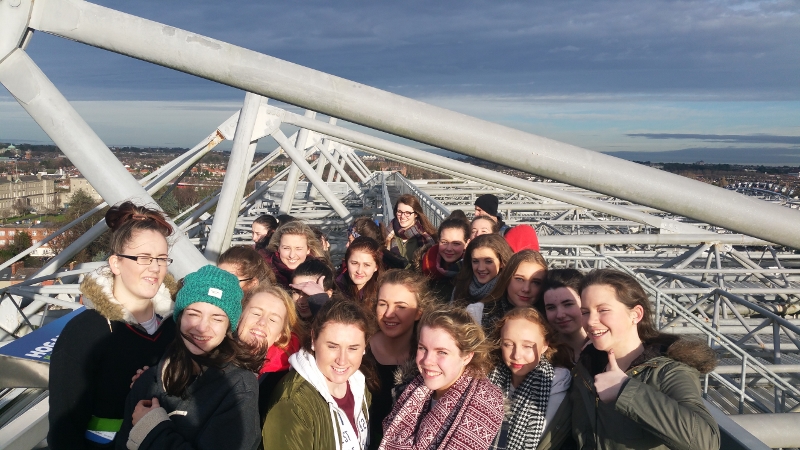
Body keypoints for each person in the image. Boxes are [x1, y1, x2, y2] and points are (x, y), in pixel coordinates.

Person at [48, 201, 178, 449]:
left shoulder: (176, 326)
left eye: (162, 258)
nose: (155, 268)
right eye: (143, 258)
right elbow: (65, 427)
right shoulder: (86, 333)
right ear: (116, 263)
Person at [117, 265, 263, 450]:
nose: (202, 327)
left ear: (228, 328)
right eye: (193, 314)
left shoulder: (239, 388)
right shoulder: (148, 381)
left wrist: (153, 429)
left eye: (217, 319)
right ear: (179, 318)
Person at [571, 269, 719, 449]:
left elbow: (706, 442)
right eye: (585, 312)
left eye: (603, 310)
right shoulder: (585, 369)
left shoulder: (668, 372)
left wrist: (625, 390)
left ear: (636, 314)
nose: (591, 321)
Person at [379, 305, 503, 450]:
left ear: (467, 356)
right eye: (422, 348)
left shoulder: (487, 410)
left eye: (442, 352)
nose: (427, 361)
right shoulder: (407, 392)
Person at [262, 300, 375, 450]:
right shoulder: (292, 403)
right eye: (332, 346)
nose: (342, 360)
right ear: (314, 339)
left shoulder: (358, 383)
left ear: (365, 346)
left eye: (353, 348)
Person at [488, 308, 573, 450]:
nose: (516, 355)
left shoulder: (556, 386)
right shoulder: (487, 379)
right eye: (508, 344)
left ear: (545, 346)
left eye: (527, 346)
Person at [367, 269, 432, 450]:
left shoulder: (429, 361)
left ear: (418, 312)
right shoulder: (358, 351)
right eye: (382, 304)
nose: (388, 314)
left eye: (401, 307)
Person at [236, 283, 302, 422]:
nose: (262, 322)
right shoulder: (212, 356)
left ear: (280, 334)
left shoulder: (283, 381)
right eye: (256, 313)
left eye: (273, 319)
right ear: (240, 316)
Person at [466, 250, 547, 332]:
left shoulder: (551, 317)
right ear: (507, 279)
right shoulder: (477, 313)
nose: (526, 289)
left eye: (536, 282)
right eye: (519, 279)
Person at [451, 234, 513, 307]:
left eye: (488, 261)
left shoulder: (510, 291)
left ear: (502, 262)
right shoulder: (460, 287)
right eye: (475, 261)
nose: (481, 268)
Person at [421, 215, 471, 303]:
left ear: (467, 243)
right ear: (438, 241)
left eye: (456, 243)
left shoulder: (472, 272)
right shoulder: (425, 264)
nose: (449, 248)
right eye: (444, 242)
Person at [262, 221, 326, 289]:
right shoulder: (263, 271)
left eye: (298, 249)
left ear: (308, 249)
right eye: (286, 248)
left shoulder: (321, 273)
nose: (292, 255)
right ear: (278, 248)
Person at [540, 268, 587, 362]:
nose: (560, 315)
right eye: (551, 307)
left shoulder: (606, 347)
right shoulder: (541, 352)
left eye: (568, 304)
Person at [385, 194, 436, 268]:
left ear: (416, 214)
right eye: (399, 211)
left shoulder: (425, 238)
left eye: (408, 213)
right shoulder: (387, 234)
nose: (402, 216)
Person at [337, 236, 382, 309]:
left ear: (376, 267)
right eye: (354, 263)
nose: (359, 271)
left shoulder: (383, 294)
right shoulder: (335, 289)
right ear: (347, 263)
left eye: (366, 265)